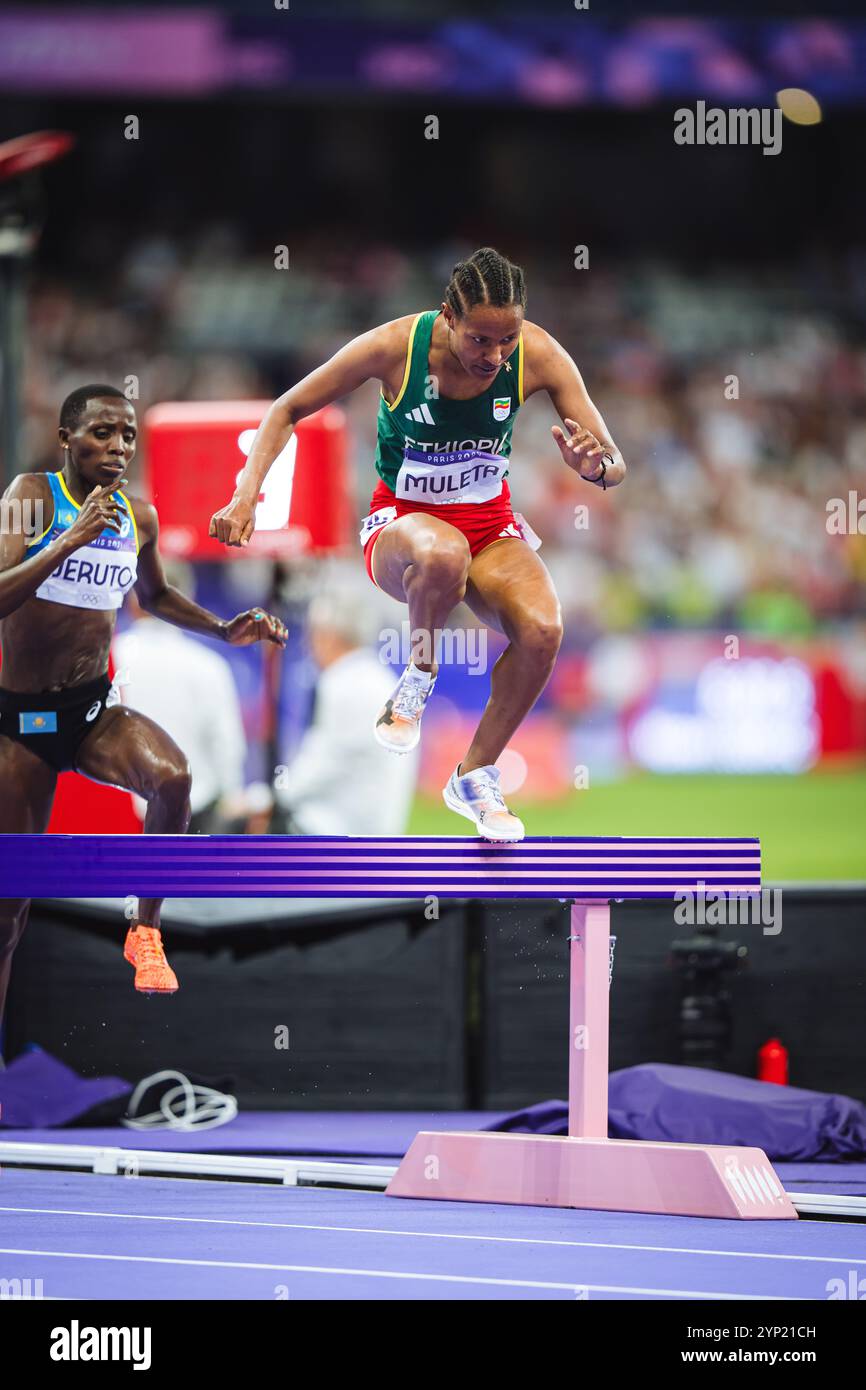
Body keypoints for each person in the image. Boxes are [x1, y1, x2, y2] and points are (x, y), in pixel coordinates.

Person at [210, 247, 626, 842]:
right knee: (443, 552)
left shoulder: (540, 355)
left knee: (543, 631)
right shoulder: (395, 347)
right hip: (402, 528)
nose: (496, 356)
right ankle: (419, 673)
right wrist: (246, 494)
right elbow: (287, 408)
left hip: (490, 525)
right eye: (481, 340)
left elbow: (614, 467)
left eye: (507, 340)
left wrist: (595, 467)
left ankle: (476, 775)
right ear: (447, 318)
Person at [0, 384, 286, 1024]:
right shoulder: (32, 496)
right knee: (8, 913)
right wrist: (67, 541)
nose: (118, 447)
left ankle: (146, 927)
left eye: (127, 435)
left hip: (92, 712)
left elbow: (154, 597)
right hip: (20, 722)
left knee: (173, 777)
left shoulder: (139, 515)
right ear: (66, 439)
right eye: (102, 433)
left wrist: (223, 629)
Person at [113, 564, 249, 834]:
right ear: (187, 604)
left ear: (133, 601)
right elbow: (227, 744)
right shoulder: (208, 665)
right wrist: (232, 797)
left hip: (119, 815)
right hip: (193, 816)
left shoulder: (110, 659)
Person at [273, 591, 418, 835]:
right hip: (374, 827)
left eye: (313, 633)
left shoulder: (344, 685)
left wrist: (272, 797)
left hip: (332, 830)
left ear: (329, 636)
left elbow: (323, 763)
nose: (308, 643)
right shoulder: (382, 681)